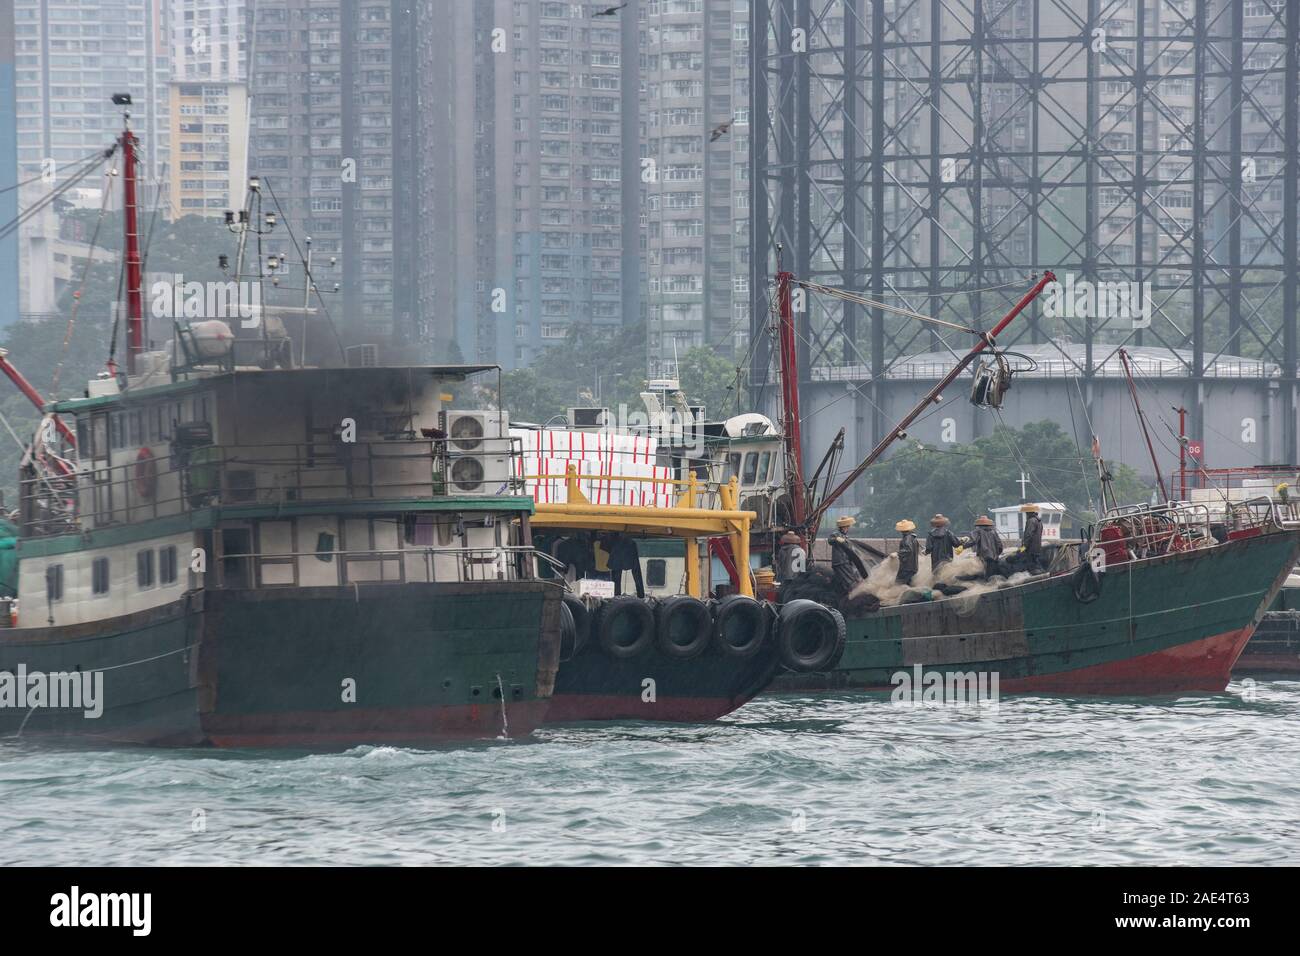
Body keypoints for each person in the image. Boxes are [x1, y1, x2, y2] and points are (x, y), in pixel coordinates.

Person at [828, 515, 869, 593]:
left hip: (846, 561)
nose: (847, 529)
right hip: (840, 562)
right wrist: (836, 539)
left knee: (853, 577)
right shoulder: (836, 534)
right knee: (849, 580)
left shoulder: (846, 536)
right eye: (846, 527)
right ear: (843, 527)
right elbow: (830, 540)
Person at [605, 532, 645, 598]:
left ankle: (616, 595)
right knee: (635, 572)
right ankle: (640, 594)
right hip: (623, 547)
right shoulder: (631, 543)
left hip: (618, 550)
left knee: (616, 575)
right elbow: (636, 571)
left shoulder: (617, 543)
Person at [1020, 503, 1045, 572]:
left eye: (1026, 513)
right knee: (1036, 564)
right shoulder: (1039, 521)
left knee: (1030, 567)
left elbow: (1028, 536)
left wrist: (1022, 549)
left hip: (1030, 550)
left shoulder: (1031, 521)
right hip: (1037, 549)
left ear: (1028, 513)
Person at [895, 519, 919, 585]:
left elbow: (908, 549)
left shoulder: (907, 539)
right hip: (913, 566)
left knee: (898, 583)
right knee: (909, 584)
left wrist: (898, 553)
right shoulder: (913, 538)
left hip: (906, 566)